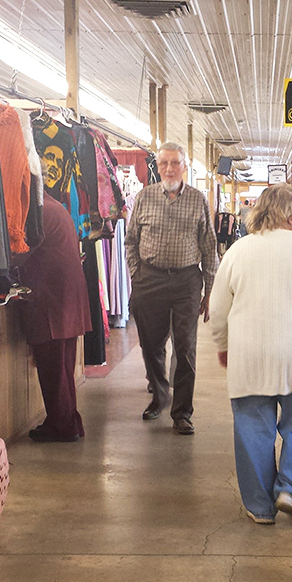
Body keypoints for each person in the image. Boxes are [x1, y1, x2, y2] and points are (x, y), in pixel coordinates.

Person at [209, 184, 292, 523]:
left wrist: (224, 345)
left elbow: (218, 309)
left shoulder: (239, 250)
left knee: (253, 427)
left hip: (248, 354)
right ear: (289, 214)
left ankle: (259, 507)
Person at [126, 142, 218, 434]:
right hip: (149, 278)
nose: (169, 168)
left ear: (184, 167)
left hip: (186, 282)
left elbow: (209, 246)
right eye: (164, 163)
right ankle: (160, 393)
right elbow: (131, 240)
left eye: (174, 163)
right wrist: (135, 273)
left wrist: (209, 290)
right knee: (151, 345)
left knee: (185, 347)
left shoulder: (198, 200)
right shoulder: (144, 197)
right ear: (158, 166)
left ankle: (182, 412)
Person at [17, 188, 91, 442]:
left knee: (53, 367)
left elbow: (21, 252)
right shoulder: (54, 207)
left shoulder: (38, 212)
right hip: (64, 298)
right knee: (62, 367)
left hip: (52, 300)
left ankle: (62, 425)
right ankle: (67, 420)